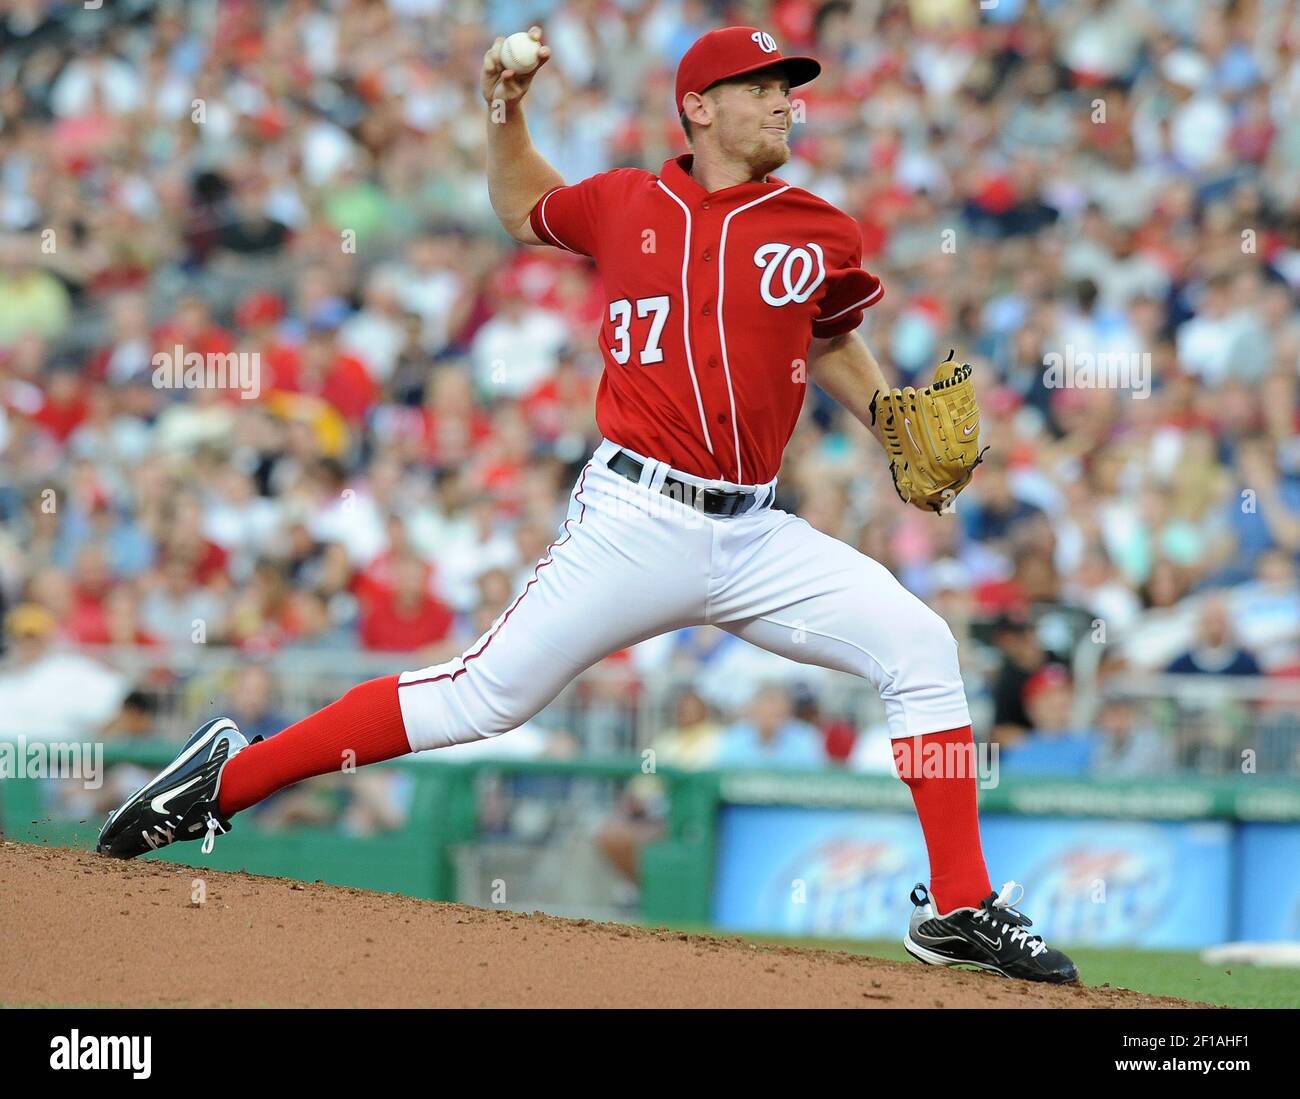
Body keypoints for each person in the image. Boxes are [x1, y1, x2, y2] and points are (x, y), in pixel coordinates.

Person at [95, 24, 1076, 984]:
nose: (785, 100)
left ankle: (956, 905)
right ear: (699, 106)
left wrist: (882, 422)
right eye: (762, 86)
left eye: (790, 86)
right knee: (486, 697)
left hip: (756, 528)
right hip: (635, 517)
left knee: (920, 646)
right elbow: (525, 207)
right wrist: (505, 111)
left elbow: (825, 336)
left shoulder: (819, 226)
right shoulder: (624, 203)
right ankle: (228, 780)